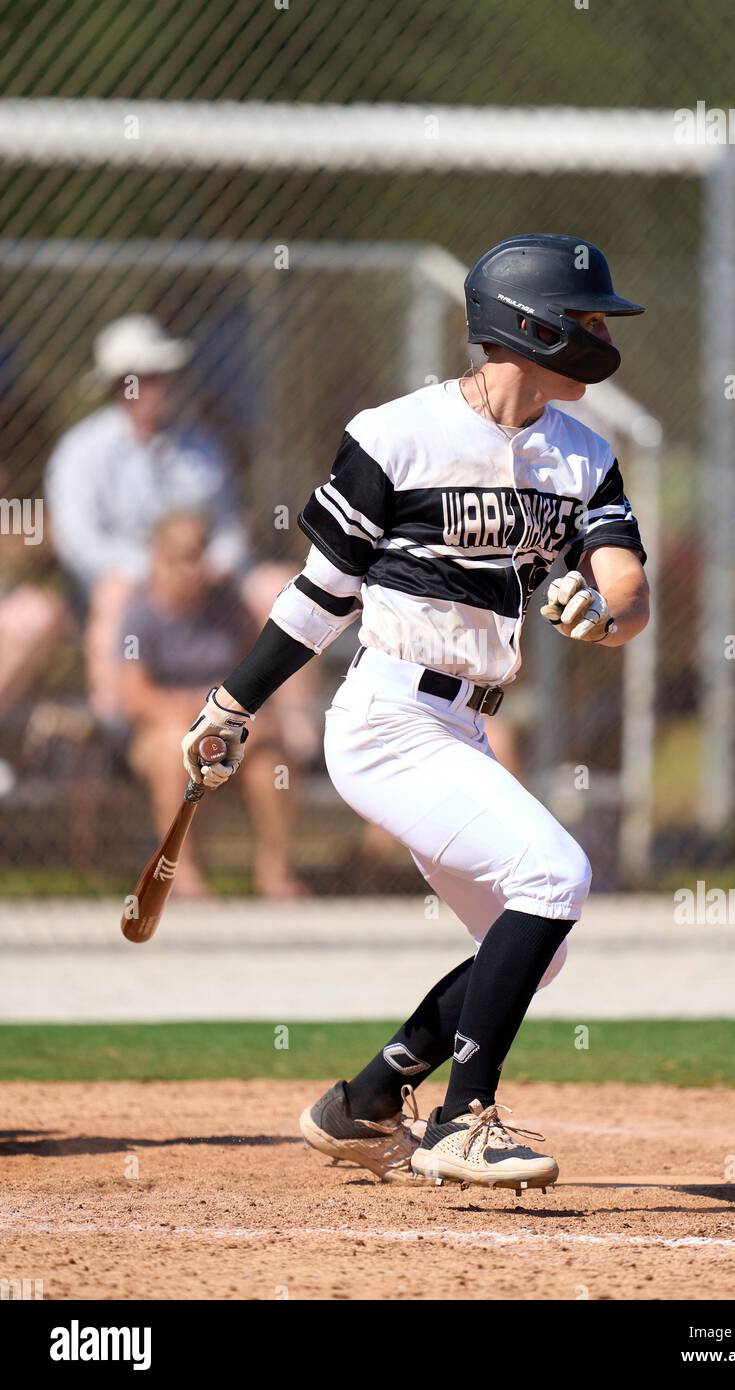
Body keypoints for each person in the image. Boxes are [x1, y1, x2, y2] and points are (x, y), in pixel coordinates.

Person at [180, 234, 650, 1191]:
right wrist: (231, 706)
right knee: (555, 873)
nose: (603, 334)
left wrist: (603, 612)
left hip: (465, 725)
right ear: (529, 326)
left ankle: (363, 1102)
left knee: (532, 952)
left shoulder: (581, 453)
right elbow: (321, 598)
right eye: (587, 316)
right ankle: (462, 1120)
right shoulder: (396, 434)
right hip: (387, 718)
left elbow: (627, 586)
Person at [44, 316, 263, 731]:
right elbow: (78, 541)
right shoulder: (81, 451)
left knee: (273, 589)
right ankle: (119, 733)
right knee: (117, 594)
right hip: (123, 588)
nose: (155, 386)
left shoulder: (203, 444)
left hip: (204, 586)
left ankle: (291, 740)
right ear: (116, 386)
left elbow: (231, 527)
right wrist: (157, 574)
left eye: (161, 375)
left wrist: (209, 566)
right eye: (141, 377)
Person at [119, 511, 309, 898]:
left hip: (227, 733)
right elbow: (135, 698)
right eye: (182, 557)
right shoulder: (141, 611)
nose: (193, 567)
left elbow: (259, 681)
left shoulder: (229, 609)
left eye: (199, 554)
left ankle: (274, 872)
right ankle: (180, 874)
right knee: (174, 743)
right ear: (159, 558)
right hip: (163, 733)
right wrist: (198, 715)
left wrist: (232, 725)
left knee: (270, 760)